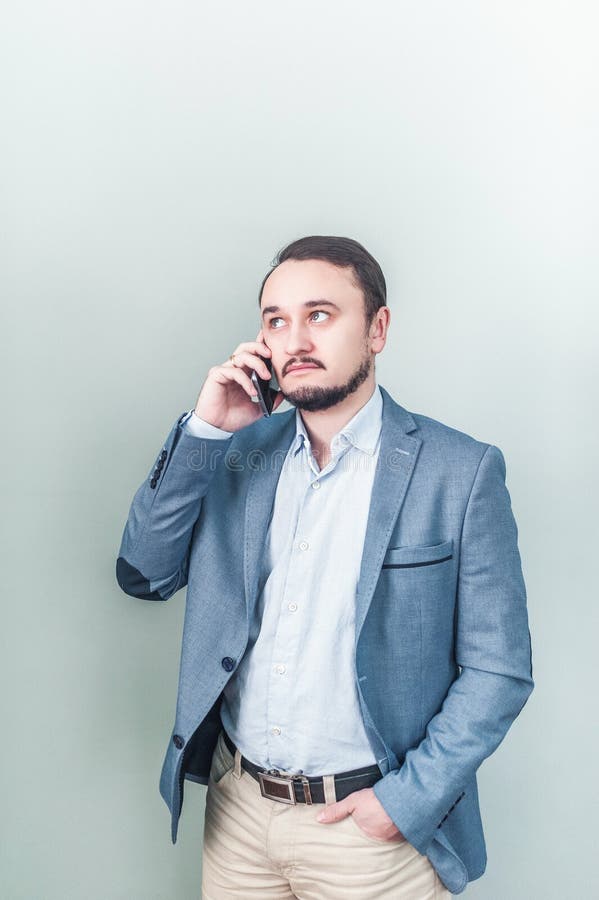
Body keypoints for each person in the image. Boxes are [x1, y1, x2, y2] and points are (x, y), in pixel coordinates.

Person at [116, 235, 534, 898]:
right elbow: (144, 573)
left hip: (367, 834)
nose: (293, 339)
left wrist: (405, 802)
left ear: (377, 329)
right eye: (275, 320)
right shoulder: (233, 452)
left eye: (319, 314)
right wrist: (205, 430)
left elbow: (498, 669)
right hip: (238, 816)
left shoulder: (459, 472)